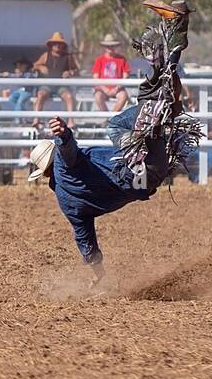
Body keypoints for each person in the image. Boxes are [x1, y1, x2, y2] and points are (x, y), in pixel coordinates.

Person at [29, 114, 165, 279]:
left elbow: (84, 237)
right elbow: (67, 149)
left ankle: (159, 123)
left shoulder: (66, 203)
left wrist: (98, 271)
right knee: (115, 125)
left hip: (146, 184)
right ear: (55, 156)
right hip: (136, 166)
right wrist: (63, 136)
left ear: (44, 173)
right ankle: (158, 113)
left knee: (151, 132)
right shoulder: (62, 163)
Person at [32, 31, 79, 117]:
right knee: (40, 95)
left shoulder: (68, 57)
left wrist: (70, 72)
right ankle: (36, 120)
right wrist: (40, 67)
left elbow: (76, 70)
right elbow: (34, 66)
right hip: (47, 85)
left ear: (63, 45)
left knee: (69, 97)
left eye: (59, 43)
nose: (57, 45)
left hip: (62, 85)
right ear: (51, 45)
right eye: (55, 43)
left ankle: (70, 121)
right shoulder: (46, 55)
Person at [91, 33, 131, 112]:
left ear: (115, 46)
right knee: (97, 96)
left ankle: (112, 118)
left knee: (123, 96)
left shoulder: (122, 59)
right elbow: (95, 77)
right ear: (105, 47)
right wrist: (104, 88)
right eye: (108, 46)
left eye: (112, 45)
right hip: (102, 88)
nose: (110, 48)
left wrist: (117, 88)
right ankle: (106, 116)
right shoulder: (99, 59)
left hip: (117, 88)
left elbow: (126, 75)